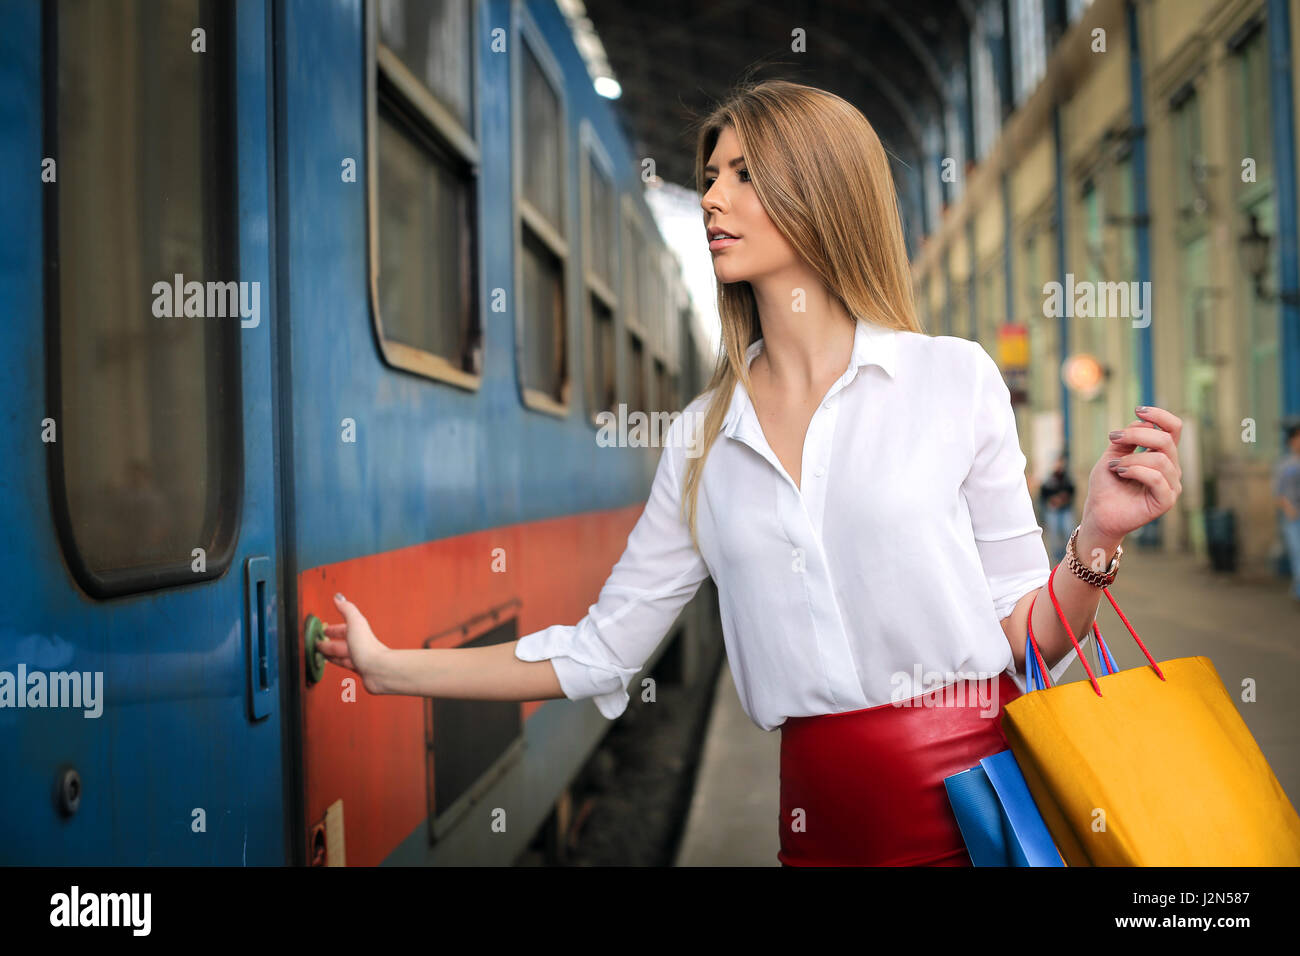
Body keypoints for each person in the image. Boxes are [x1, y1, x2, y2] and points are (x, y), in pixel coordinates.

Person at [317, 80, 1184, 866]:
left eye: (743, 174)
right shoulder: (701, 438)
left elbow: (1025, 641)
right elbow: (601, 650)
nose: (711, 197)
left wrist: (1098, 536)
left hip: (979, 807)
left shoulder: (952, 380)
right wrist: (395, 670)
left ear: (820, 194)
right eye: (711, 174)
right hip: (821, 818)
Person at [1275, 422, 1300, 601]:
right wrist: (1289, 508)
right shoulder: (1285, 465)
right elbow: (1278, 492)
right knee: (1297, 555)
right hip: (1292, 518)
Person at [1039, 453, 1076, 565]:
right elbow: (1043, 494)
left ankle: (1068, 555)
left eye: (1060, 462)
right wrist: (1051, 500)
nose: (1059, 465)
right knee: (1054, 535)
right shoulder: (1049, 478)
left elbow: (1072, 491)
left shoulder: (1067, 478)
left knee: (1068, 532)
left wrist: (1063, 499)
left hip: (1065, 510)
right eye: (1057, 463)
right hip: (1053, 511)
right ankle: (1058, 558)